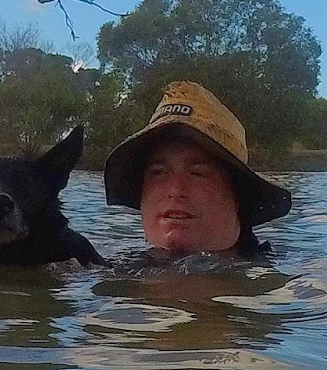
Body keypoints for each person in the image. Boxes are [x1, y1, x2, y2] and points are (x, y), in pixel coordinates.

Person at [102, 81, 292, 256]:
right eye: (158, 172)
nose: (175, 191)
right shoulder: (91, 268)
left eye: (197, 173)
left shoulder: (288, 288)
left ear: (239, 200)